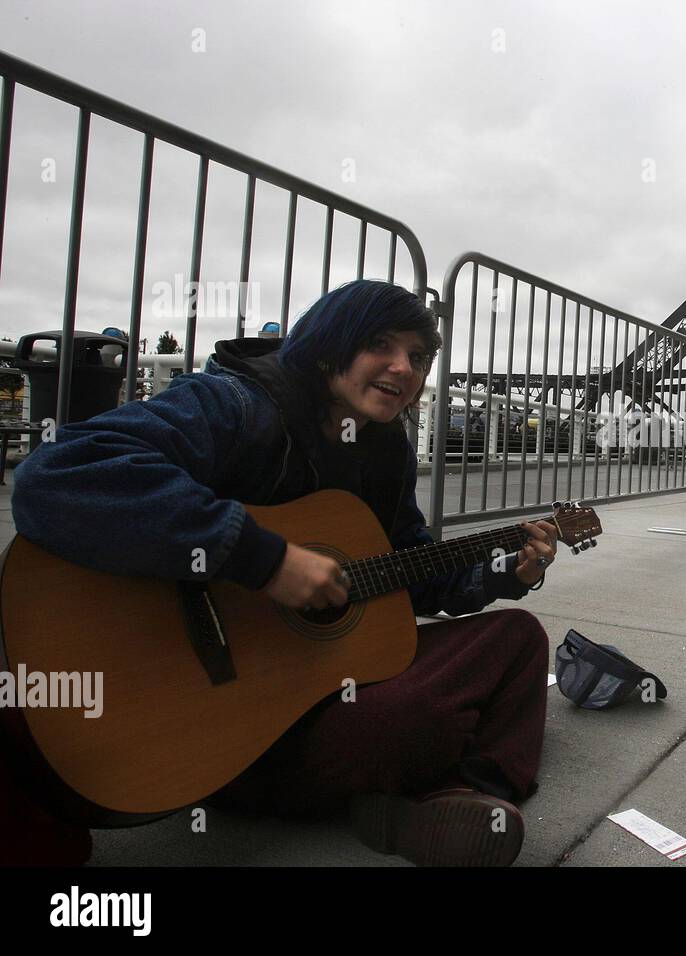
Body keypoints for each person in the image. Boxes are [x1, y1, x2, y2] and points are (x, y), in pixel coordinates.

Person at [7, 280, 558, 866]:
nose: (404, 368)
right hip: (202, 734)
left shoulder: (385, 448)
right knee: (437, 717)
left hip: (300, 714)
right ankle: (412, 786)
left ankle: (467, 799)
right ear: (329, 343)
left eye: (419, 358)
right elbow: (59, 473)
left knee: (517, 638)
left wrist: (505, 572)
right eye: (381, 345)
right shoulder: (236, 404)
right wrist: (263, 559)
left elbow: (409, 570)